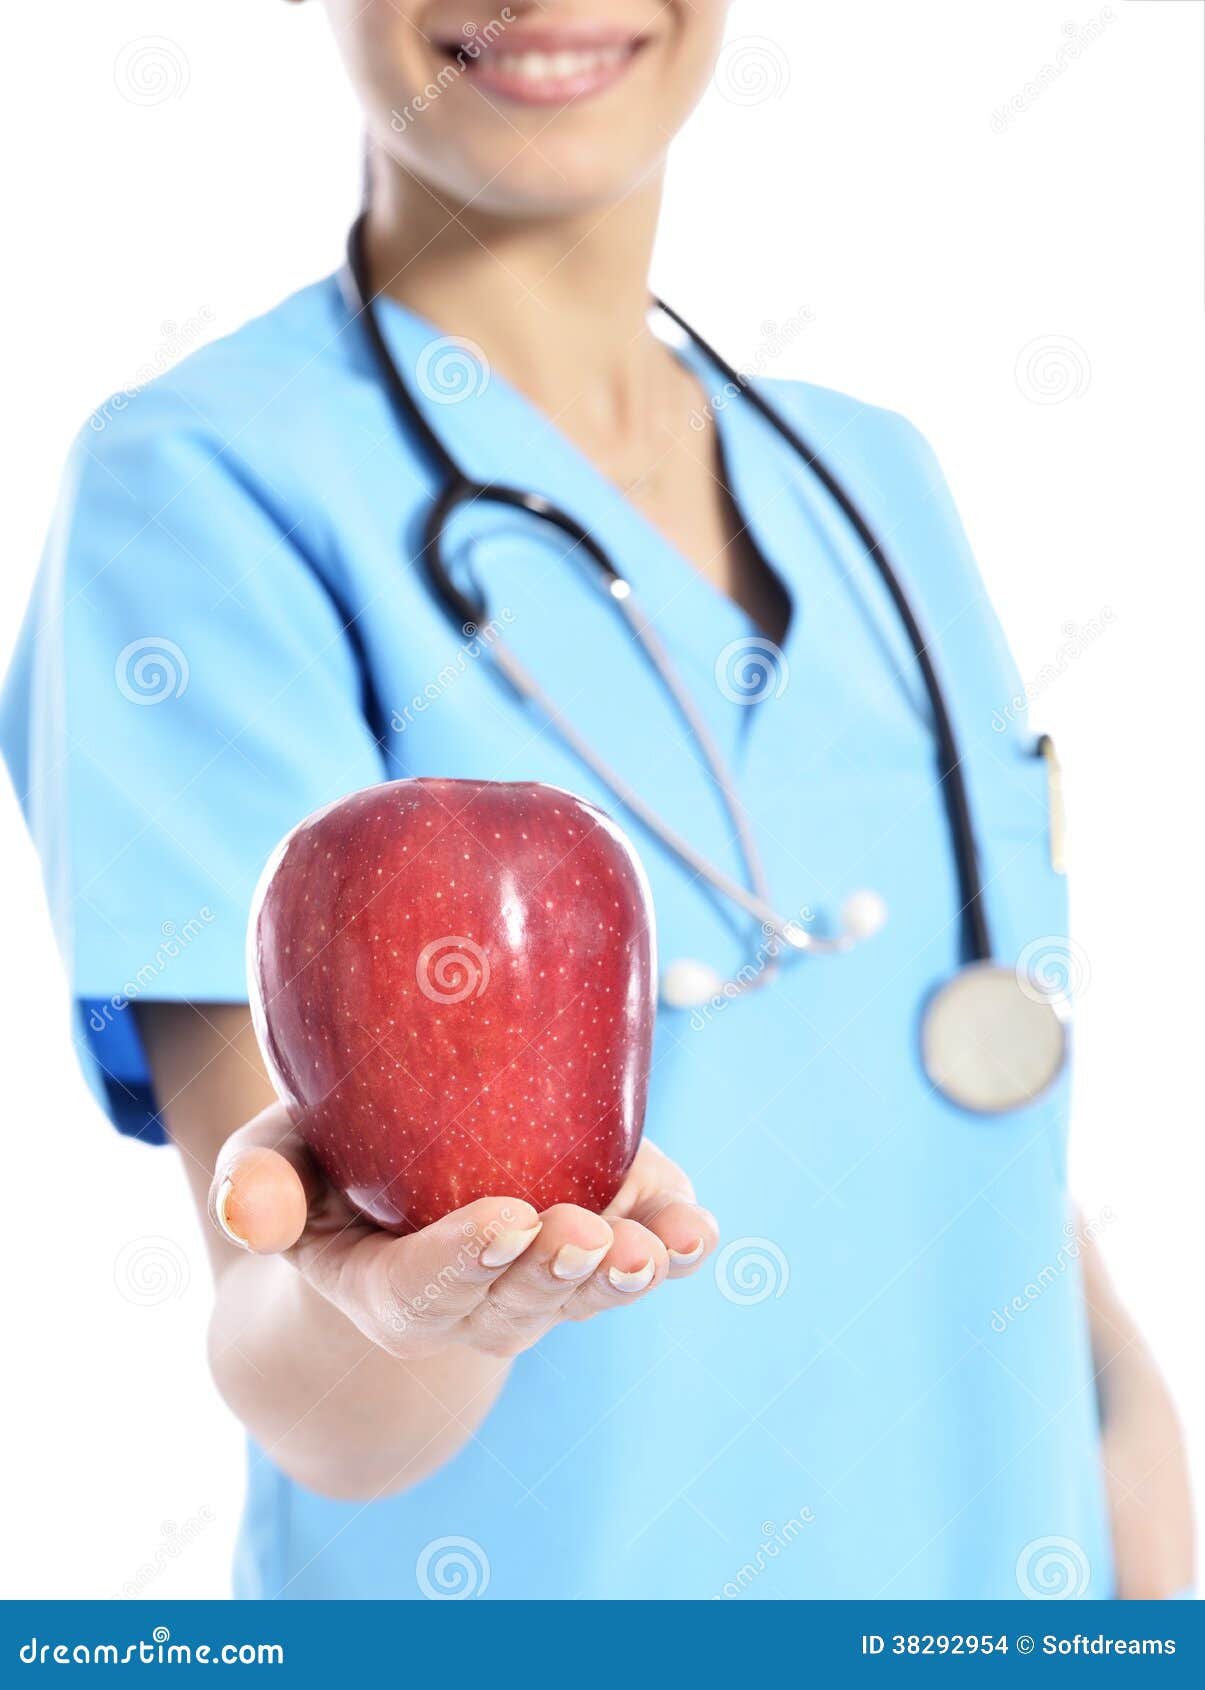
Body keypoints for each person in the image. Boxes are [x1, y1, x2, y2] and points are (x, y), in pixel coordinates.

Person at [1, 0, 1193, 1601]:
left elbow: (995, 1184)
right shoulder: (202, 494)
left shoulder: (875, 483)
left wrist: (1146, 1574)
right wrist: (404, 1311)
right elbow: (306, 1369)